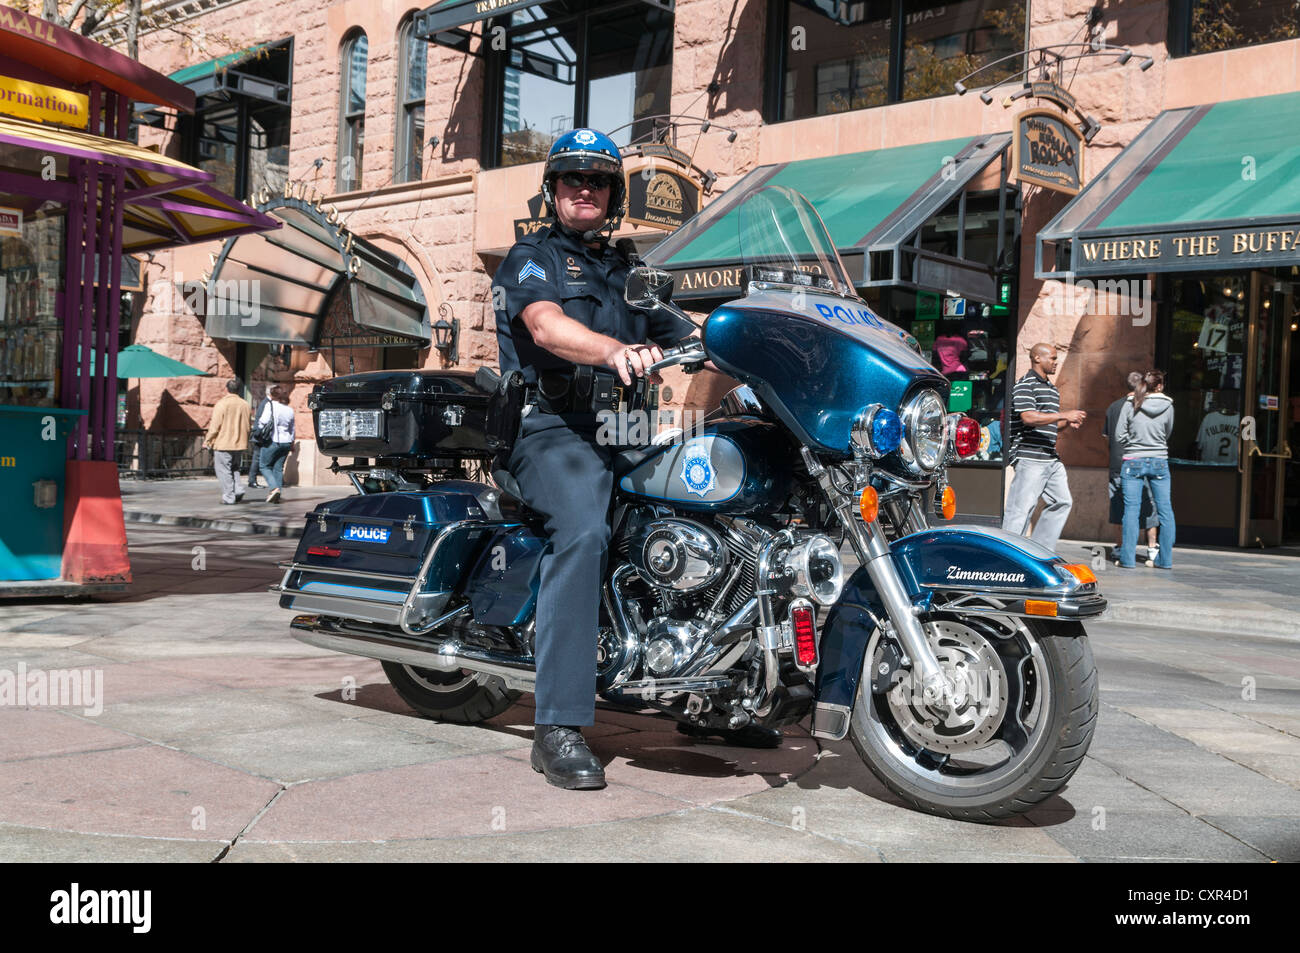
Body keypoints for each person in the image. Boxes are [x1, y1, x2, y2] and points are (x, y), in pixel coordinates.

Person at [494, 128, 707, 790]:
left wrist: (746, 357)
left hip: (627, 429)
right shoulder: (532, 257)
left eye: (598, 181)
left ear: (613, 195)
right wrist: (611, 350)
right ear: (553, 190)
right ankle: (556, 723)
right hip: (553, 428)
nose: (584, 189)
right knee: (583, 531)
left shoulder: (631, 273)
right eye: (571, 179)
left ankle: (712, 694)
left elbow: (696, 336)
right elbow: (545, 326)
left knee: (708, 516)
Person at [1001, 343, 1086, 552]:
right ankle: (1007, 556)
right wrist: (1064, 414)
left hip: (1050, 458)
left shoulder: (1051, 389)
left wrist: (1066, 422)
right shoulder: (1025, 385)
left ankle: (1038, 551)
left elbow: (1048, 423)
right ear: (1037, 358)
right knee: (1020, 511)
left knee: (1062, 502)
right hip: (1030, 458)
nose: (1056, 363)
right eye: (1053, 358)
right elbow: (1028, 417)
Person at [1116, 370, 1176, 569]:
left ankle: (1127, 559)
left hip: (1133, 460)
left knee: (1131, 510)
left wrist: (1133, 444)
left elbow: (1119, 435)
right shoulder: (1168, 406)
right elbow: (1167, 432)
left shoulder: (1130, 403)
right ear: (1159, 386)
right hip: (1159, 461)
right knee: (1165, 510)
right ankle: (1165, 560)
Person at [1103, 371, 1160, 565]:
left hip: (1117, 464)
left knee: (1119, 507)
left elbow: (1107, 438)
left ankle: (1120, 547)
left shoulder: (1113, 407)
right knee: (1149, 506)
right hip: (1142, 462)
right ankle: (1152, 548)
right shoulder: (1146, 406)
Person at [205, 378, 251, 505]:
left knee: (224, 470)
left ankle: (229, 496)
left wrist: (208, 440)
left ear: (227, 389)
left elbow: (215, 426)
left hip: (223, 443)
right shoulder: (245, 404)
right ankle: (238, 490)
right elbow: (248, 426)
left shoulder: (221, 404)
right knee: (234, 468)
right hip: (239, 443)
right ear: (239, 390)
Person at [256, 384, 295, 504]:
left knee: (264, 466)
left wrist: (258, 429)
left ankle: (274, 488)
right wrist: (292, 443)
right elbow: (292, 429)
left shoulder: (270, 405)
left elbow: (263, 421)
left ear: (272, 395)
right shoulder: (290, 409)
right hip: (286, 442)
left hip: (273, 440)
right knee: (278, 468)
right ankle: (277, 495)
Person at [247, 389, 271, 487]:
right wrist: (258, 434)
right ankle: (252, 480)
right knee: (257, 459)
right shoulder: (266, 403)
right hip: (260, 436)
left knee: (258, 458)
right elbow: (261, 421)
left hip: (260, 435)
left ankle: (253, 480)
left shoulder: (267, 402)